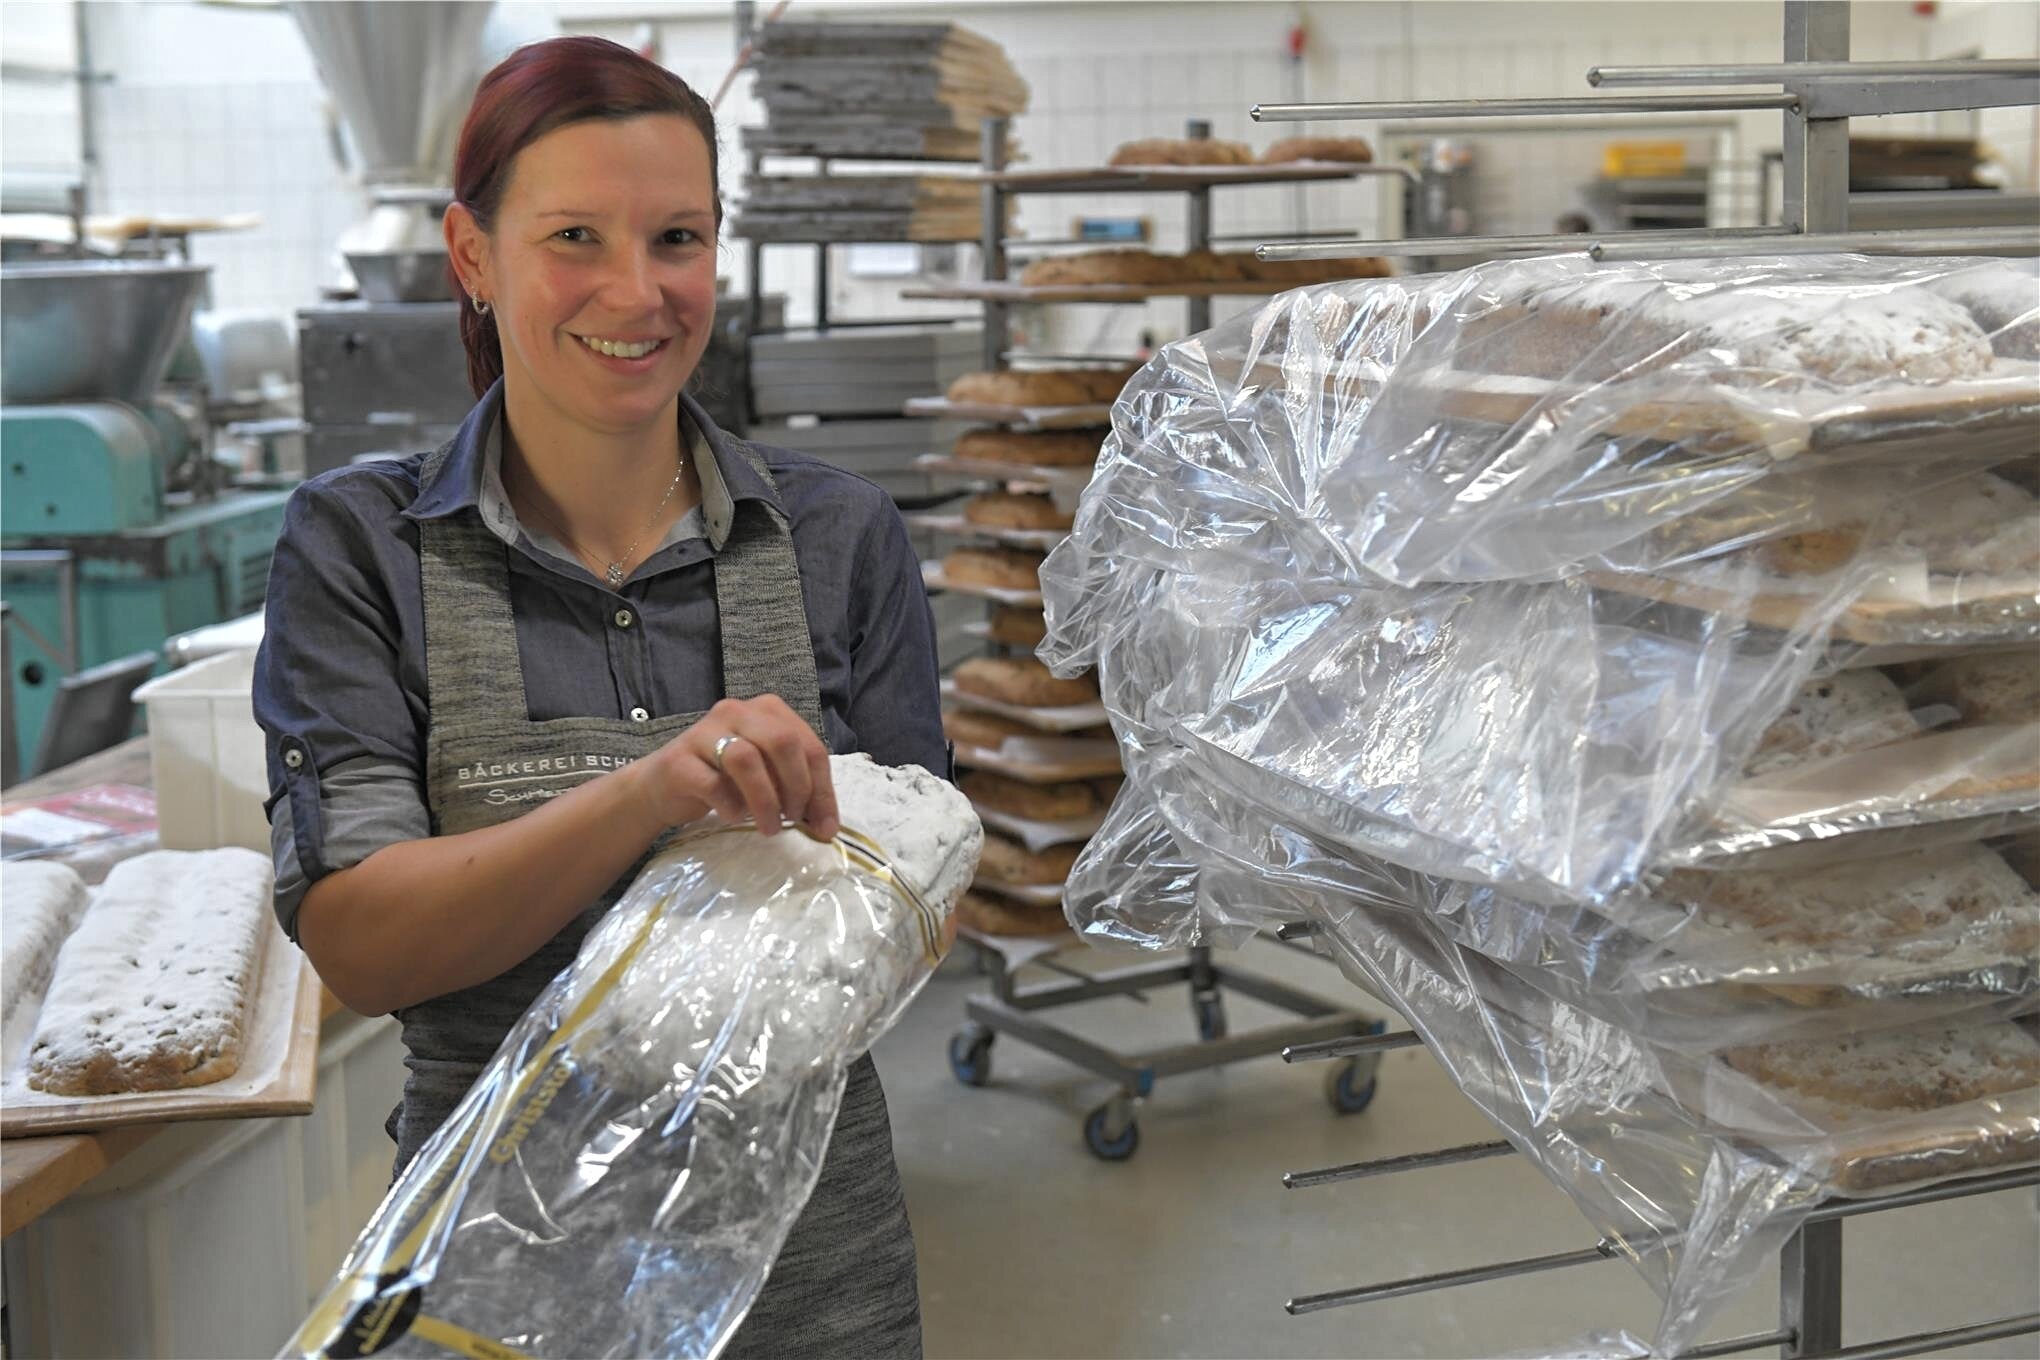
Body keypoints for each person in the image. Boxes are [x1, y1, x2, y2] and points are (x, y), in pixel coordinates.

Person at [253, 35, 942, 1358]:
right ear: (471, 255)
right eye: (576, 235)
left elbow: (918, 915)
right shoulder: (364, 548)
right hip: (496, 1284)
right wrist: (654, 797)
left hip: (815, 1283)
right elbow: (363, 944)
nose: (638, 291)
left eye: (678, 237)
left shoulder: (841, 535)